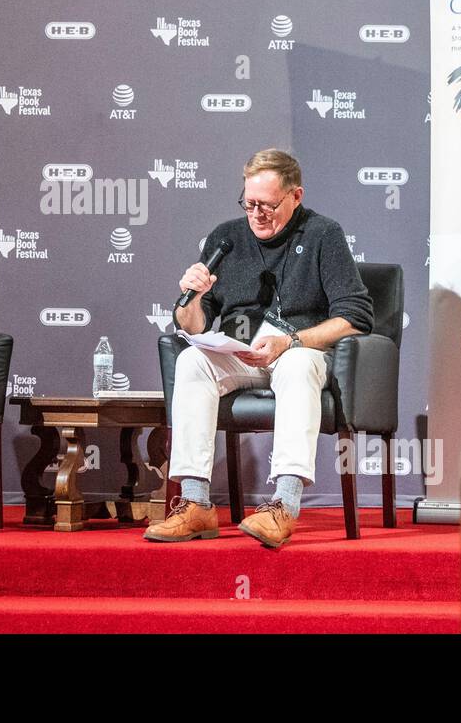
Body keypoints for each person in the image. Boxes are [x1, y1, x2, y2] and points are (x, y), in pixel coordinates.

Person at [145, 149, 374, 549]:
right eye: (249, 203)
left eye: (267, 205)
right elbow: (194, 324)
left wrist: (292, 340)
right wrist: (193, 297)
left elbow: (355, 316)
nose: (257, 214)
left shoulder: (323, 234)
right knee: (193, 360)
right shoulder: (226, 239)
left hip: (298, 350)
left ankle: (283, 505)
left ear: (295, 196)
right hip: (242, 355)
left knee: (298, 364)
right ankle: (196, 503)